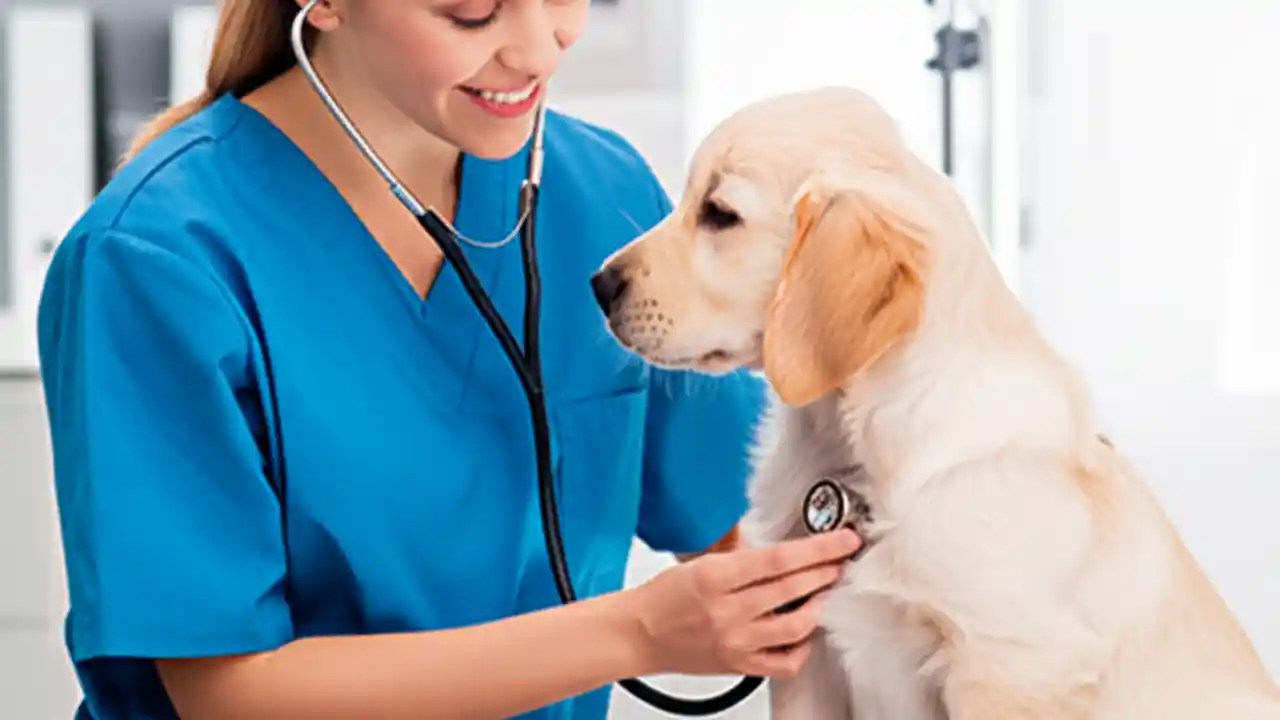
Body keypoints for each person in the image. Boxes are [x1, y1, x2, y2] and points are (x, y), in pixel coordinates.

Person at [35, 1, 863, 718]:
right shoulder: (155, 261)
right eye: (472, 13)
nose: (539, 51)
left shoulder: (601, 194)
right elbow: (225, 693)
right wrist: (635, 633)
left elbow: (750, 537)